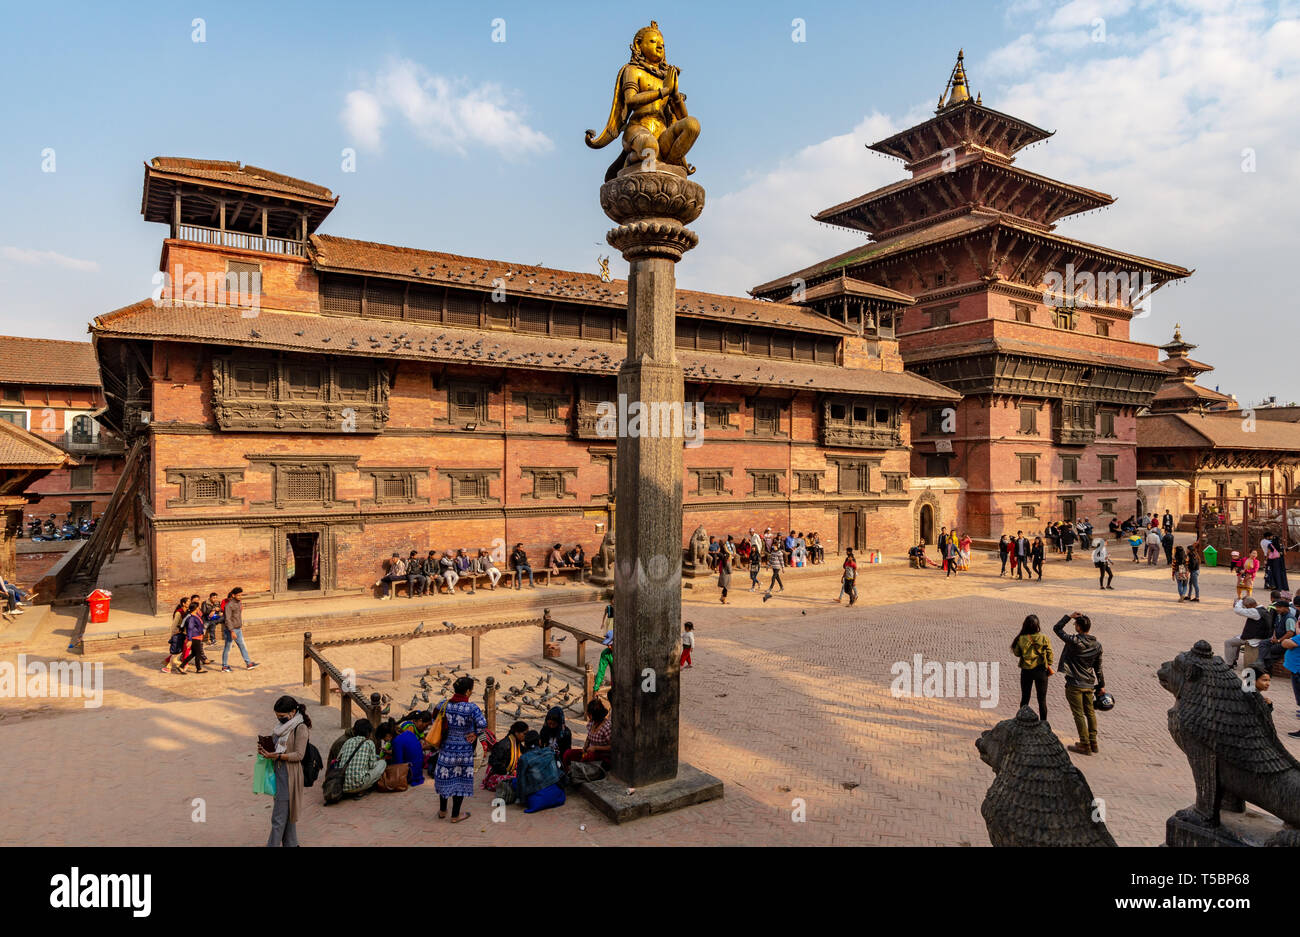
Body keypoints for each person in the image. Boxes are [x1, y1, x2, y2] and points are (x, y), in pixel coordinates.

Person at [258, 695, 311, 847]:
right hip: (279, 773)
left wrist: (278, 756)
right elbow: (277, 745)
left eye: (281, 716)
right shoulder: (282, 727)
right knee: (286, 815)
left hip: (289, 776)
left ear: (293, 712)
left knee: (279, 819)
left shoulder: (300, 728)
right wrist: (266, 749)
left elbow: (299, 755)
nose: (279, 719)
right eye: (277, 716)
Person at [434, 676, 488, 822]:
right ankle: (455, 815)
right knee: (460, 781)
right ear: (468, 691)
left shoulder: (443, 704)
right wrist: (474, 733)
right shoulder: (472, 708)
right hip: (464, 751)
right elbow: (483, 724)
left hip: (446, 750)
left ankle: (442, 811)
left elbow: (435, 720)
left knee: (445, 777)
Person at [1053, 612, 1106, 756]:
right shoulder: (1097, 645)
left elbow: (1057, 628)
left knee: (1078, 714)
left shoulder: (1074, 641)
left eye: (1075, 624)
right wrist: (1101, 685)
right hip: (1089, 684)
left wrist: (1068, 616)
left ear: (1079, 627)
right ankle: (1093, 742)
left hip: (1074, 684)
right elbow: (1098, 668)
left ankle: (1084, 744)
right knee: (1090, 713)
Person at [1011, 615, 1054, 722]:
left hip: (1026, 671)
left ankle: (1021, 722)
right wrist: (1048, 663)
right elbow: (1050, 654)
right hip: (1041, 671)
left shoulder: (1021, 639)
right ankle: (1044, 724)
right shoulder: (1044, 638)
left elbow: (1016, 653)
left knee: (1025, 698)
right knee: (1042, 700)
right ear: (1037, 626)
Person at [337, 718, 387, 796]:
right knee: (382, 763)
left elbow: (338, 759)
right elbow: (372, 765)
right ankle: (361, 789)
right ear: (369, 733)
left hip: (342, 785)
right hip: (359, 784)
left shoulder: (348, 741)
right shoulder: (369, 743)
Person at [562, 698, 612, 770]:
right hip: (589, 753)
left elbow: (612, 747)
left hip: (603, 757)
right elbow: (589, 737)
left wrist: (595, 748)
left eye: (588, 713)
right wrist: (585, 746)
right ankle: (567, 772)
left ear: (593, 715)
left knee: (587, 758)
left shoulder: (607, 727)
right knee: (568, 753)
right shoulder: (592, 723)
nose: (587, 714)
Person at [1226, 597, 1274, 669]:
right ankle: (1233, 660)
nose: (1246, 608)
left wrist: (1240, 601)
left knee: (1228, 642)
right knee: (1235, 639)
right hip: (1261, 636)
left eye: (1246, 607)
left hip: (1254, 638)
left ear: (1250, 606)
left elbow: (1237, 610)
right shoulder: (1262, 610)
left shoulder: (1255, 612)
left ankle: (1229, 664)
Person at [484, 720, 528, 797]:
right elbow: (494, 762)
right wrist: (507, 772)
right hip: (496, 775)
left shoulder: (517, 743)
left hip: (507, 773)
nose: (526, 736)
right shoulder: (504, 745)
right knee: (520, 782)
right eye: (524, 734)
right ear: (517, 733)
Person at [220, 586, 258, 672]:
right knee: (227, 648)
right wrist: (232, 631)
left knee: (242, 646)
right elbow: (228, 619)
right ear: (233, 595)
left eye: (241, 595)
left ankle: (248, 663)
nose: (240, 597)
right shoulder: (228, 605)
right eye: (238, 595)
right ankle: (225, 666)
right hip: (231, 630)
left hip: (238, 629)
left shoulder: (238, 603)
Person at [392, 711, 432, 786]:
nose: (425, 728)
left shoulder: (418, 730)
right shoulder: (409, 727)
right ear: (420, 721)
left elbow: (426, 740)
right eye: (425, 726)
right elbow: (410, 747)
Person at [180, 600, 207, 672]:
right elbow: (190, 629)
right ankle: (198, 669)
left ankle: (182, 666)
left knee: (195, 654)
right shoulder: (191, 618)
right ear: (196, 608)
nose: (199, 609)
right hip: (194, 637)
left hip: (197, 636)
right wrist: (190, 640)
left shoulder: (196, 616)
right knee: (197, 653)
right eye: (198, 607)